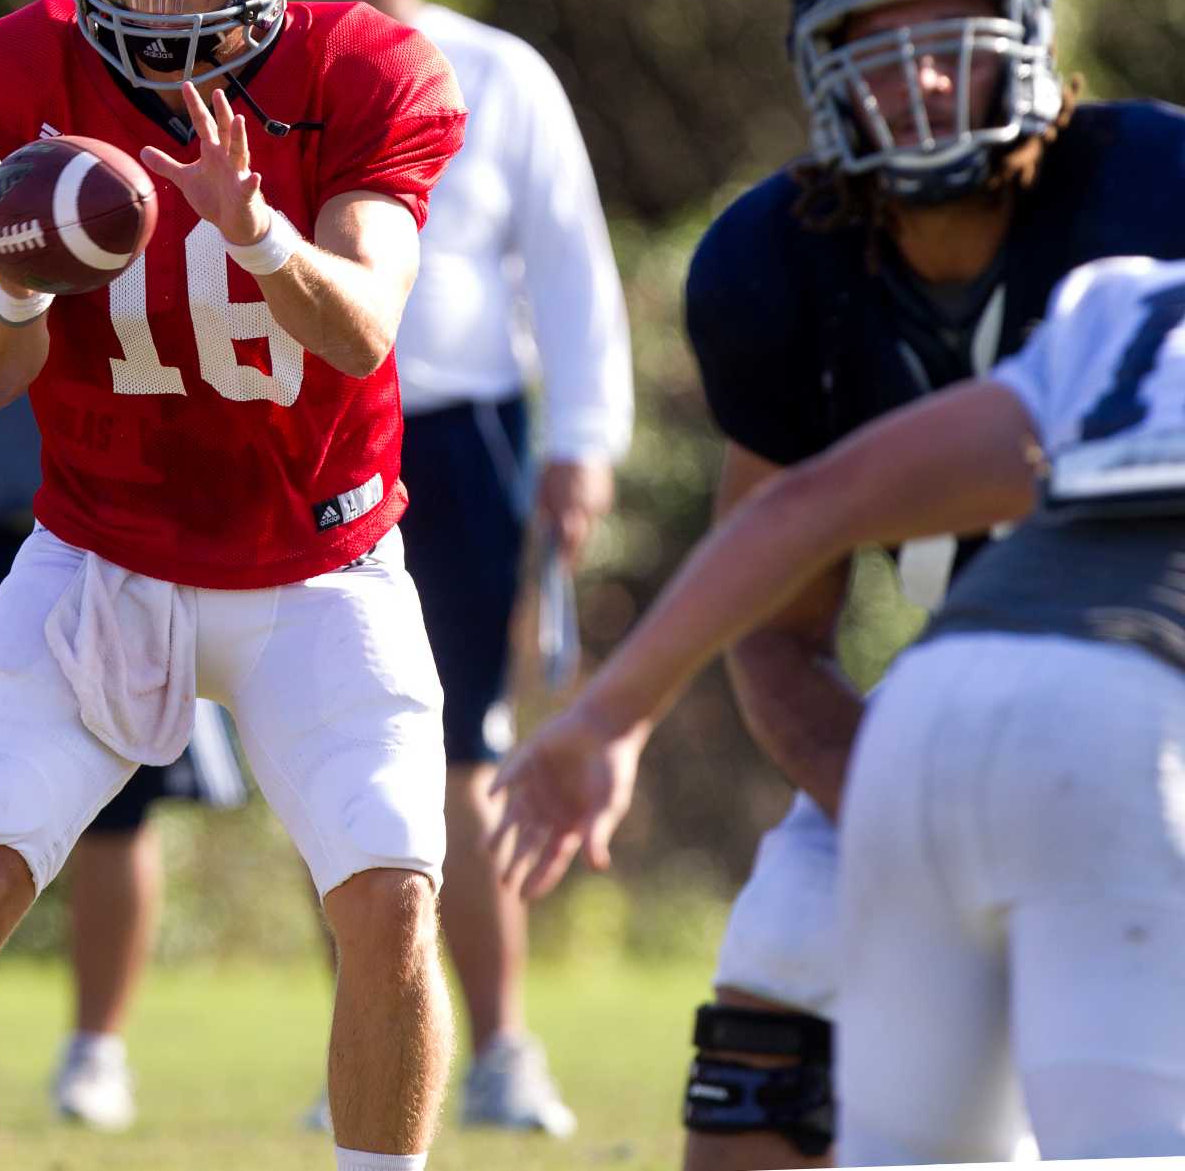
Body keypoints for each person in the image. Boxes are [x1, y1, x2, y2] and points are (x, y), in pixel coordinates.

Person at [504, 0, 1185, 1171]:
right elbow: (785, 601)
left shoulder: (1110, 278)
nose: (922, 87)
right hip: (1048, 736)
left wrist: (610, 711)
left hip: (960, 728)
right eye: (879, 54)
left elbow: (813, 505)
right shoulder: (796, 269)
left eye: (953, 45)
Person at [0, 0, 468, 1171]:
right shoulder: (15, 75)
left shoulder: (364, 72)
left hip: (320, 563)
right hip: (101, 552)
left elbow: (365, 322)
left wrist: (257, 233)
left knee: (387, 905)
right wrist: (9, 291)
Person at [495, 251, 1185, 1162]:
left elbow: (817, 500)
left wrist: (611, 710)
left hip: (931, 710)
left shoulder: (1127, 299)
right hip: (1127, 723)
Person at [292, 0, 632, 1136]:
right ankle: (369, 1050)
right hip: (317, 437)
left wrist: (581, 444)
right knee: (330, 753)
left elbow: (569, 271)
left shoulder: (498, 72)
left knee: (462, 750)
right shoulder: (265, 75)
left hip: (460, 441)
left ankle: (496, 1046)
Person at [0, 173, 247, 1131]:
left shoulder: (176, 176)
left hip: (127, 535)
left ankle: (97, 1051)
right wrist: (29, 282)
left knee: (125, 816)